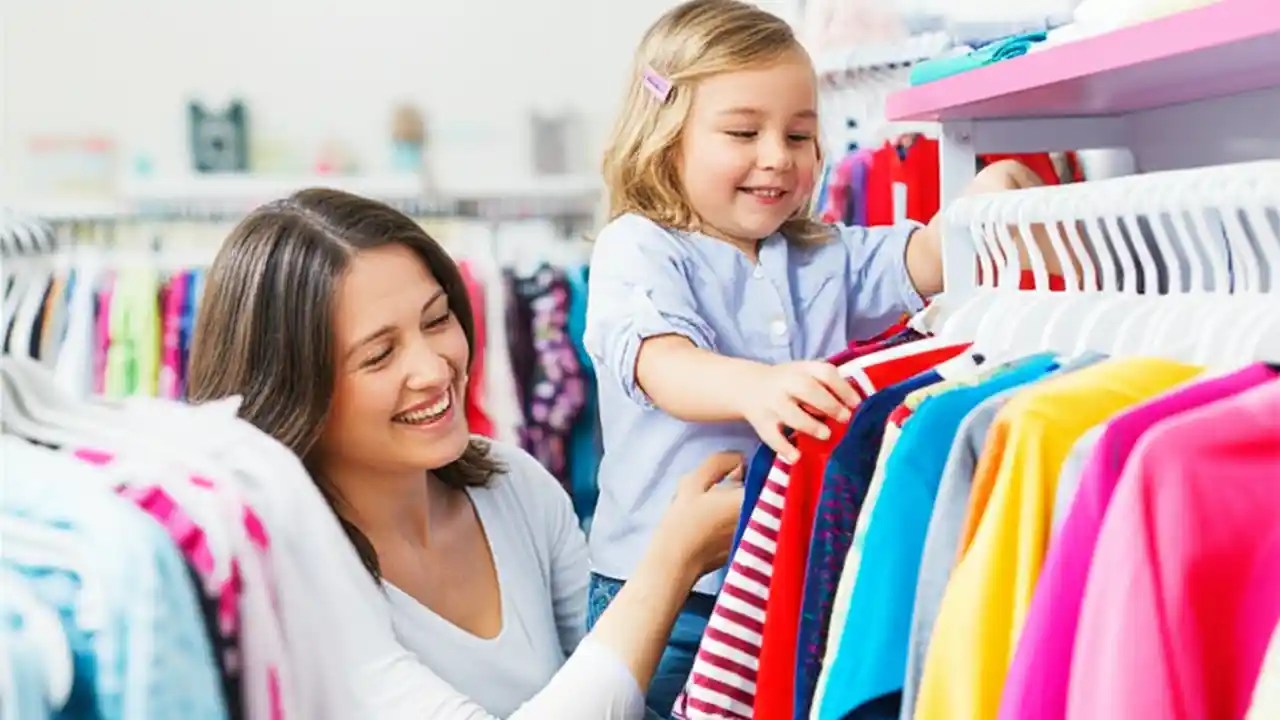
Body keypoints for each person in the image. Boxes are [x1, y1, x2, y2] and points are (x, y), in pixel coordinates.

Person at [583, 0, 1049, 714]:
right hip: (667, 597)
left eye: (800, 135)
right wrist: (756, 387)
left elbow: (923, 257)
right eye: (745, 131)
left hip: (780, 575)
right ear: (666, 136)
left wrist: (984, 204)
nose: (778, 156)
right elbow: (658, 360)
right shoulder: (640, 246)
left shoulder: (820, 250)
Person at [187, 187, 746, 720]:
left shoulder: (511, 485)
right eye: (380, 355)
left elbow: (621, 679)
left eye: (437, 320)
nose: (435, 369)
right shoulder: (292, 578)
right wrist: (672, 563)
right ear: (293, 388)